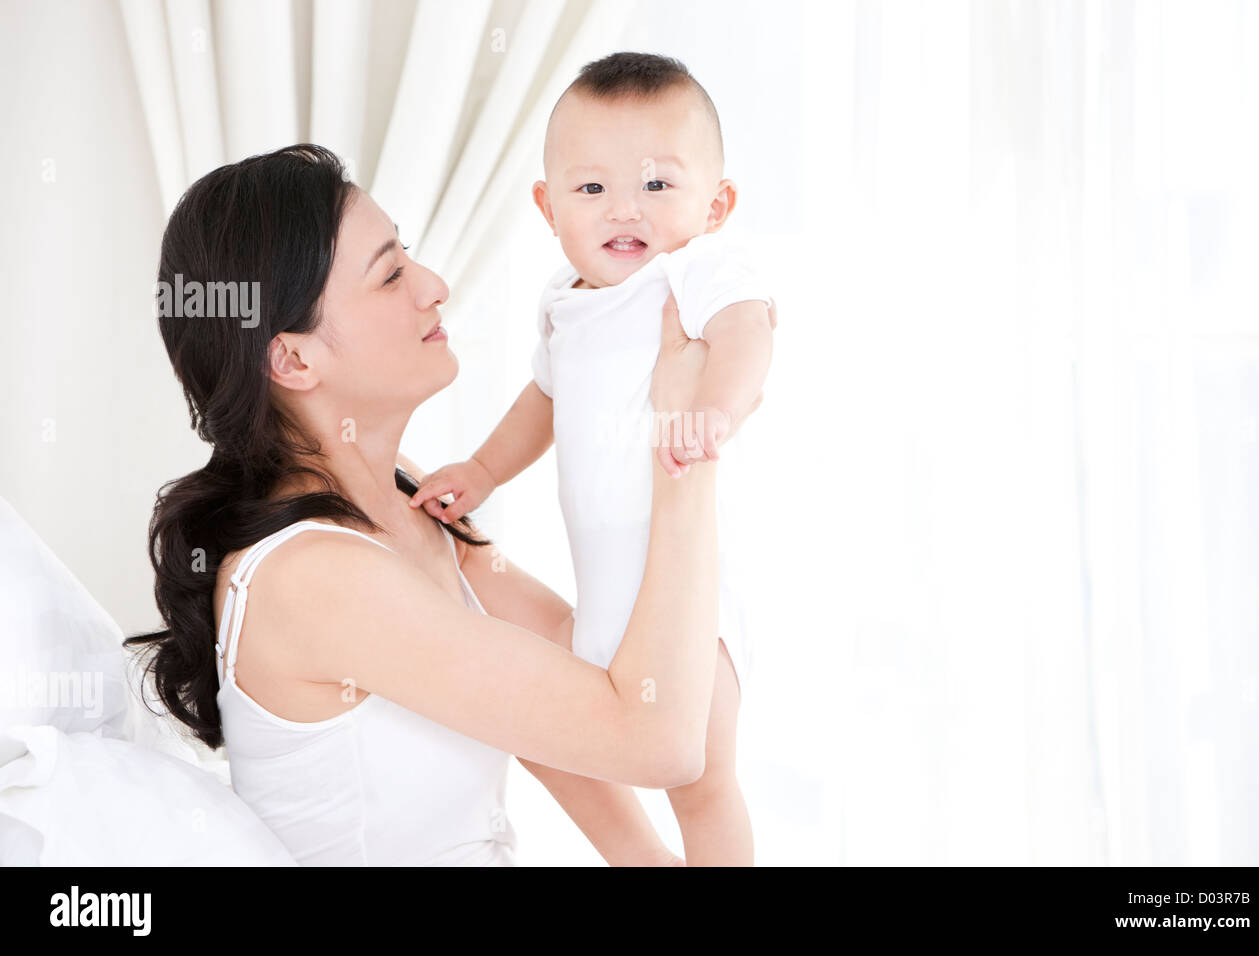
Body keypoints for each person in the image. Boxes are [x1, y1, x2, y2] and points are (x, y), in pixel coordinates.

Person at [125, 143, 768, 866]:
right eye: (391, 274)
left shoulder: (401, 488)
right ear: (294, 359)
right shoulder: (313, 577)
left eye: (410, 256)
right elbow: (658, 741)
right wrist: (685, 447)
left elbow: (554, 682)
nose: (434, 286)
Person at [410, 52, 774, 865]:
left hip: (689, 601)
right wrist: (481, 471)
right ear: (547, 205)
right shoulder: (563, 301)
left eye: (656, 185)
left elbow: (751, 331)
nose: (624, 211)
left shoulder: (693, 273)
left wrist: (714, 409)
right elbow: (542, 401)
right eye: (591, 188)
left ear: (716, 205)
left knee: (703, 780)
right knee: (572, 730)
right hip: (603, 595)